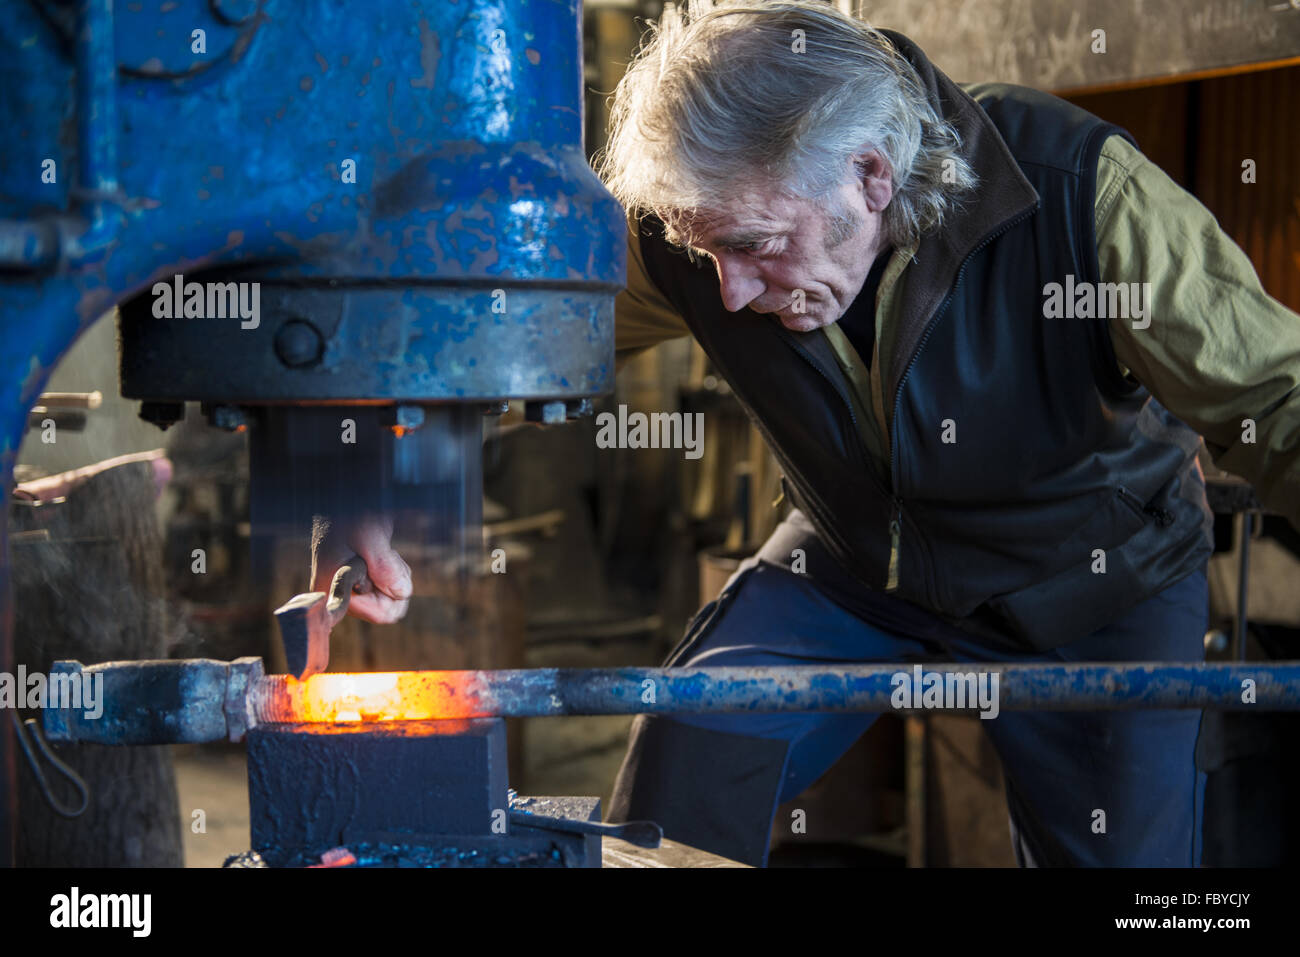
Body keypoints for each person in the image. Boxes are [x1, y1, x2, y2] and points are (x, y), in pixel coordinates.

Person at [591, 1, 1300, 866]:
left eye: (759, 246)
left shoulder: (1079, 192)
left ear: (870, 177)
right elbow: (516, 350)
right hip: (856, 559)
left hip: (1091, 576)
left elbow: (1277, 395)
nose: (730, 293)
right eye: (708, 255)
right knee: (690, 747)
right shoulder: (699, 228)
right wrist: (388, 470)